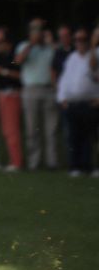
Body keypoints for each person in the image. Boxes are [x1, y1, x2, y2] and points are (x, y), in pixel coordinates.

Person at [16, 19, 60, 170]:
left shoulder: (50, 47)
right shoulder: (24, 46)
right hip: (31, 90)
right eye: (34, 30)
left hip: (49, 90)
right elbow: (18, 61)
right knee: (32, 128)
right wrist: (31, 45)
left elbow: (59, 60)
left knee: (51, 129)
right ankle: (34, 162)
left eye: (39, 30)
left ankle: (52, 162)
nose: (37, 33)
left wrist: (50, 43)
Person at [56, 28, 99, 177]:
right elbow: (64, 80)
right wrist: (62, 99)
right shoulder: (71, 58)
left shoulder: (95, 55)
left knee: (89, 137)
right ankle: (75, 167)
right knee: (73, 137)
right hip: (72, 104)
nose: (79, 43)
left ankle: (88, 166)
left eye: (83, 40)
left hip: (89, 103)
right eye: (77, 40)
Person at [0, 26, 24, 171]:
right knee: (6, 130)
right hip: (3, 95)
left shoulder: (14, 57)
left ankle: (16, 162)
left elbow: (20, 75)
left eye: (0, 41)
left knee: (11, 130)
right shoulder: (1, 56)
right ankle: (13, 160)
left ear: (7, 41)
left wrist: (2, 71)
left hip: (12, 94)